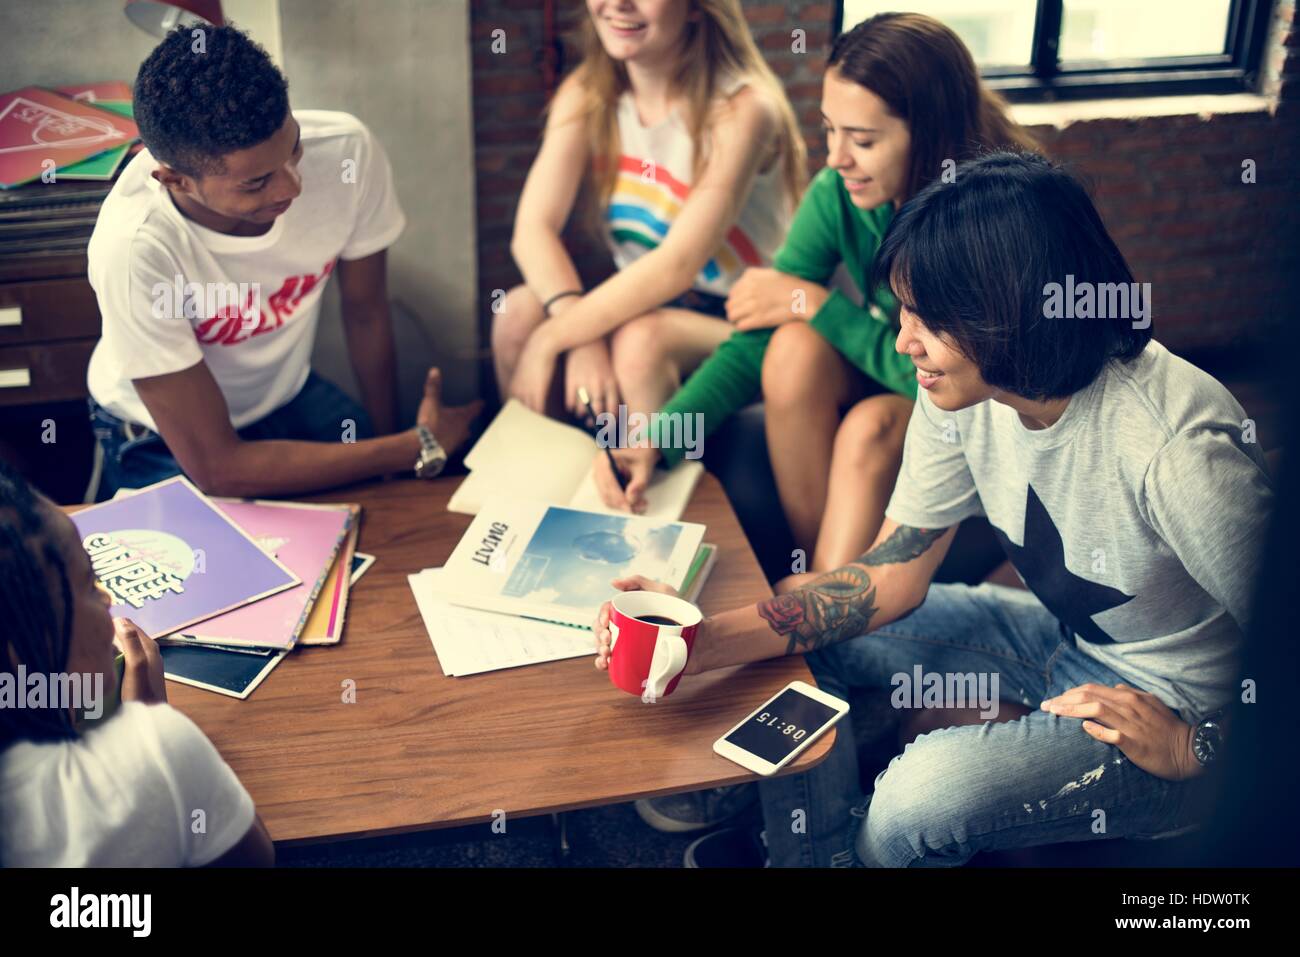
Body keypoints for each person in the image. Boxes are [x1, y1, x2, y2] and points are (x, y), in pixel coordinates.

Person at [594, 152, 1273, 866]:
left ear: (1008, 312)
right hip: (1070, 646)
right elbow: (889, 575)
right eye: (905, 311)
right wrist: (694, 639)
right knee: (801, 617)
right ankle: (813, 855)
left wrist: (1196, 747)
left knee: (917, 796)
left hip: (1180, 717)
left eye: (928, 319)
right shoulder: (965, 392)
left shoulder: (1178, 451)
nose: (901, 341)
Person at [594, 13, 1037, 593]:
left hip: (979, 410)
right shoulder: (839, 194)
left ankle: (820, 600)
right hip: (900, 373)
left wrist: (820, 305)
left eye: (864, 139)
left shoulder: (990, 215)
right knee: (790, 346)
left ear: (929, 133)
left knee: (867, 426)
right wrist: (661, 438)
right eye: (830, 130)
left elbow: (961, 378)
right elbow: (755, 333)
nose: (836, 157)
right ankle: (820, 578)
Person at [86, 24, 480, 501]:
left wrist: (392, 453)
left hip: (285, 395)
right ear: (176, 181)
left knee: (391, 518)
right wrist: (409, 447)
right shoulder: (135, 248)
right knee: (229, 570)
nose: (292, 186)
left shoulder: (346, 152)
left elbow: (366, 312)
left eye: (294, 148)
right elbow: (220, 469)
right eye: (256, 183)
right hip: (159, 435)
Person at [492, 0, 805, 428]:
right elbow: (532, 229)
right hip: (644, 301)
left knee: (640, 342)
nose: (618, 4)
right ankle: (541, 483)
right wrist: (575, 330)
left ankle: (638, 488)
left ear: (696, 8)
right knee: (515, 315)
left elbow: (677, 265)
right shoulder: (586, 92)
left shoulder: (744, 109)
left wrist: (553, 337)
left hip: (743, 318)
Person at [0, 461, 274, 866]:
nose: (108, 600)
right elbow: (255, 859)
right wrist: (144, 731)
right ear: (22, 647)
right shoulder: (154, 750)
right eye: (89, 585)